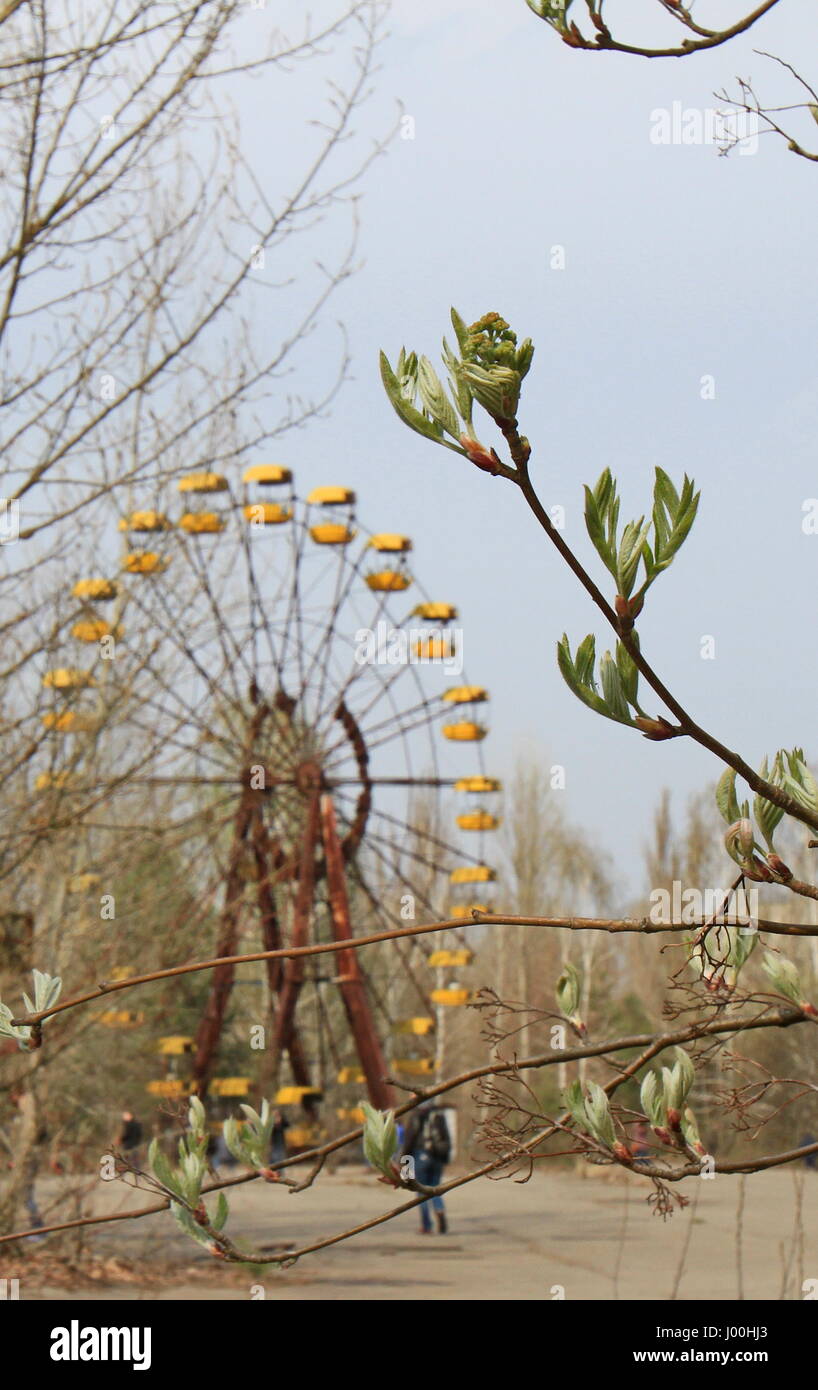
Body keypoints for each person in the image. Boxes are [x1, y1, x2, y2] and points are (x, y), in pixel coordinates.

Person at [401, 1100, 451, 1235]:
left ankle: (426, 1226)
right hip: (437, 1157)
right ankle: (439, 1210)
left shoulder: (416, 1116)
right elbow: (446, 1138)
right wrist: (445, 1158)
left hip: (421, 1154)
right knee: (435, 1188)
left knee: (422, 1191)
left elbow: (409, 1140)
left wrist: (404, 1160)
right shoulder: (439, 1116)